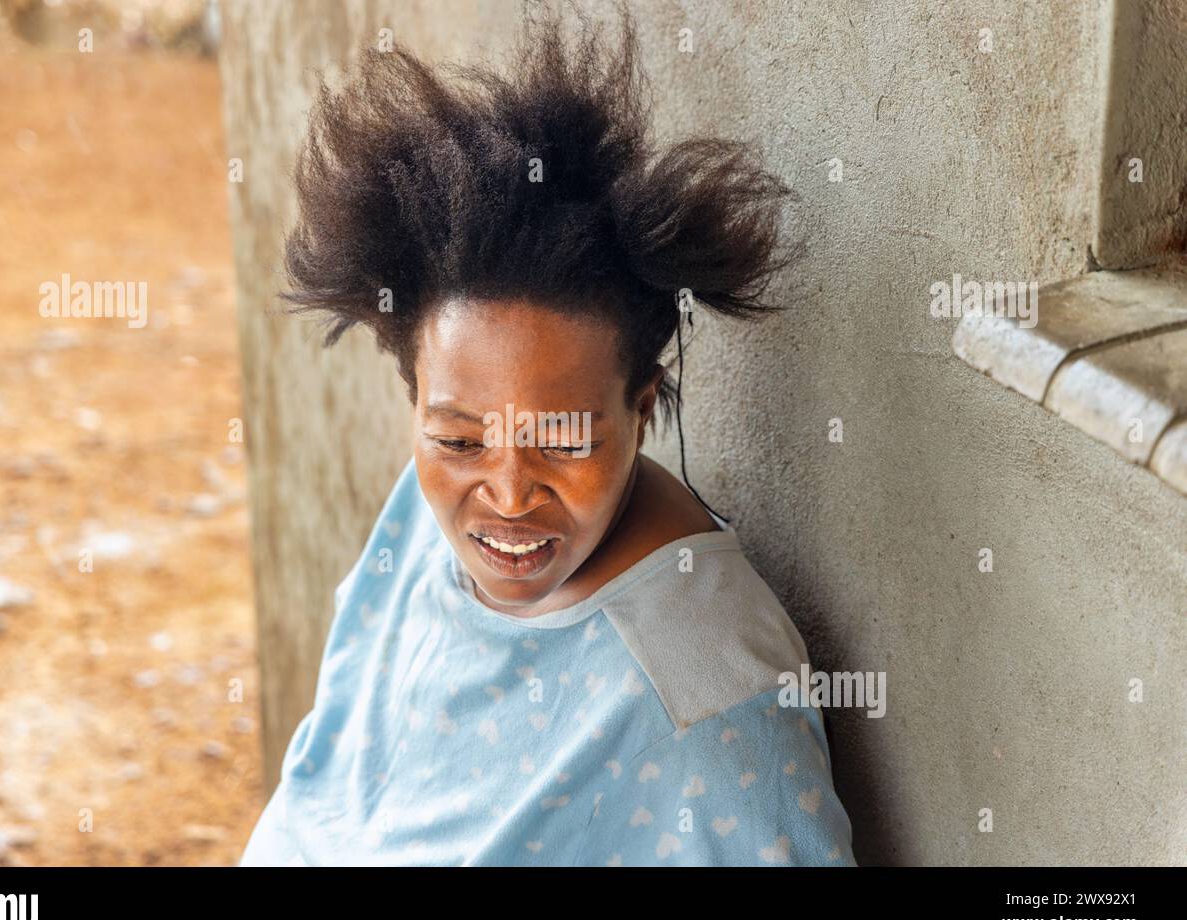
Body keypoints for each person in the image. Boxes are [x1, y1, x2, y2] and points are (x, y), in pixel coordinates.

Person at [240, 0, 856, 866]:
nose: (507, 492)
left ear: (644, 406)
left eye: (563, 438)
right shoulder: (435, 504)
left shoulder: (704, 700)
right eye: (458, 439)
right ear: (416, 398)